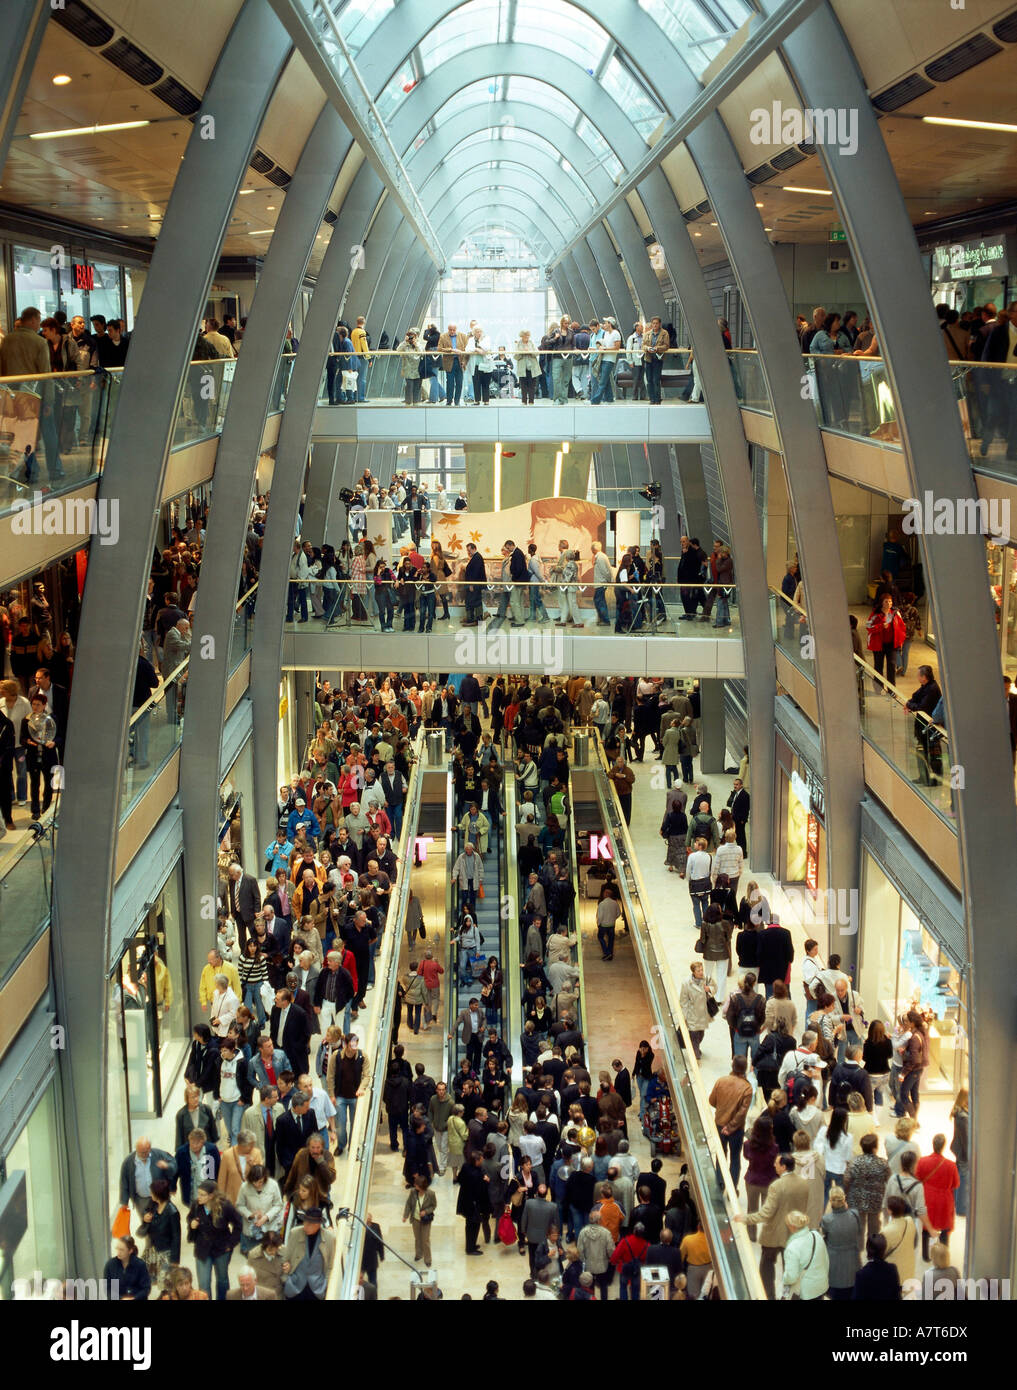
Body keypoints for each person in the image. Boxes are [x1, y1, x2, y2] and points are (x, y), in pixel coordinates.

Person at [734, 1152, 810, 1299]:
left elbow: (766, 1214)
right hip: (794, 1234)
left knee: (766, 1269)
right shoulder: (803, 1184)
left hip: (774, 1234)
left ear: (783, 1167)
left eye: (776, 1163)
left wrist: (745, 1218)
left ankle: (768, 1296)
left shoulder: (777, 1186)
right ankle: (788, 1296)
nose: (774, 1165)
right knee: (791, 1270)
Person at [186, 1180, 243, 1300]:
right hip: (202, 1248)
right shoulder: (196, 1205)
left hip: (221, 1248)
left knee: (222, 1280)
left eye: (202, 1195)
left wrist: (231, 1244)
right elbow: (190, 1217)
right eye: (198, 1194)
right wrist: (192, 1224)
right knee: (204, 1284)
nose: (199, 1197)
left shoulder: (225, 1206)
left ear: (211, 1196)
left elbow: (238, 1224)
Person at [916, 1134, 960, 1256]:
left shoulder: (922, 1161)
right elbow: (956, 1184)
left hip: (927, 1197)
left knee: (926, 1227)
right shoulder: (951, 1165)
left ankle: (926, 1254)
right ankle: (943, 1254)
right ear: (944, 1146)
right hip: (945, 1199)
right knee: (945, 1228)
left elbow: (917, 1178)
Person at [282, 1206, 335, 1300]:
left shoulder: (330, 1238)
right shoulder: (295, 1233)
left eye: (309, 1224)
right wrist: (286, 1278)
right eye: (304, 1222)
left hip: (317, 1290)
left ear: (318, 1225)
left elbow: (330, 1267)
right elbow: (285, 1258)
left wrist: (325, 1286)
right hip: (294, 1287)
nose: (305, 1226)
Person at [781, 1210, 829, 1300]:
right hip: (820, 1286)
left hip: (805, 1292)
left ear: (792, 1227)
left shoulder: (792, 1248)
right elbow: (826, 1261)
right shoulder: (816, 1236)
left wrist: (784, 1278)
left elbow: (791, 1277)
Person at [679, 961, 714, 1059]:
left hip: (703, 1013)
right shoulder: (686, 983)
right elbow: (683, 1001)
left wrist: (709, 989)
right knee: (694, 1035)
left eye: (702, 970)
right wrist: (685, 1016)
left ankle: (695, 1048)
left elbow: (715, 987)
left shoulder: (706, 978)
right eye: (698, 971)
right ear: (693, 972)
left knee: (701, 1034)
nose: (701, 972)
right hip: (692, 1014)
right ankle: (695, 1055)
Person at [853, 1232, 902, 1300]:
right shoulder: (892, 1269)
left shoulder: (861, 1275)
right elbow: (897, 1296)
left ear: (868, 1249)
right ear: (884, 1248)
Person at [403, 1173, 437, 1268]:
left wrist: (426, 1211)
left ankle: (427, 1259)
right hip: (415, 1220)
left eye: (416, 1185)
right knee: (417, 1238)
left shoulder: (430, 1194)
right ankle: (419, 1254)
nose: (414, 1186)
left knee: (425, 1240)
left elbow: (433, 1206)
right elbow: (409, 1204)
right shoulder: (413, 1192)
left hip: (426, 1221)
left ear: (421, 1186)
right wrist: (405, 1215)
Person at [104, 1236, 151, 1301]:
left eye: (122, 1250)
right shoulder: (110, 1265)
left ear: (130, 1251)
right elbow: (108, 1288)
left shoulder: (140, 1265)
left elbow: (146, 1288)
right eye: (117, 1249)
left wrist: (134, 1298)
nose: (118, 1252)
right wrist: (121, 1298)